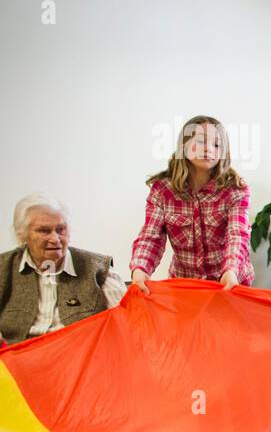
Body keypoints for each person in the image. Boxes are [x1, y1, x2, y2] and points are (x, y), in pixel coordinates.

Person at [129, 115, 254, 294]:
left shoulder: (235, 190)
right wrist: (140, 271)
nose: (209, 149)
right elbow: (151, 237)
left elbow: (237, 235)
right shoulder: (162, 190)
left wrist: (231, 271)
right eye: (202, 141)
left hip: (228, 284)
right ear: (183, 146)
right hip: (185, 287)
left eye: (217, 145)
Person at [0, 194, 126, 343]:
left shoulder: (99, 270)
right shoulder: (4, 268)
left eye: (61, 229)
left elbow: (126, 324)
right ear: (23, 235)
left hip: (80, 359)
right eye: (44, 231)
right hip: (18, 360)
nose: (55, 239)